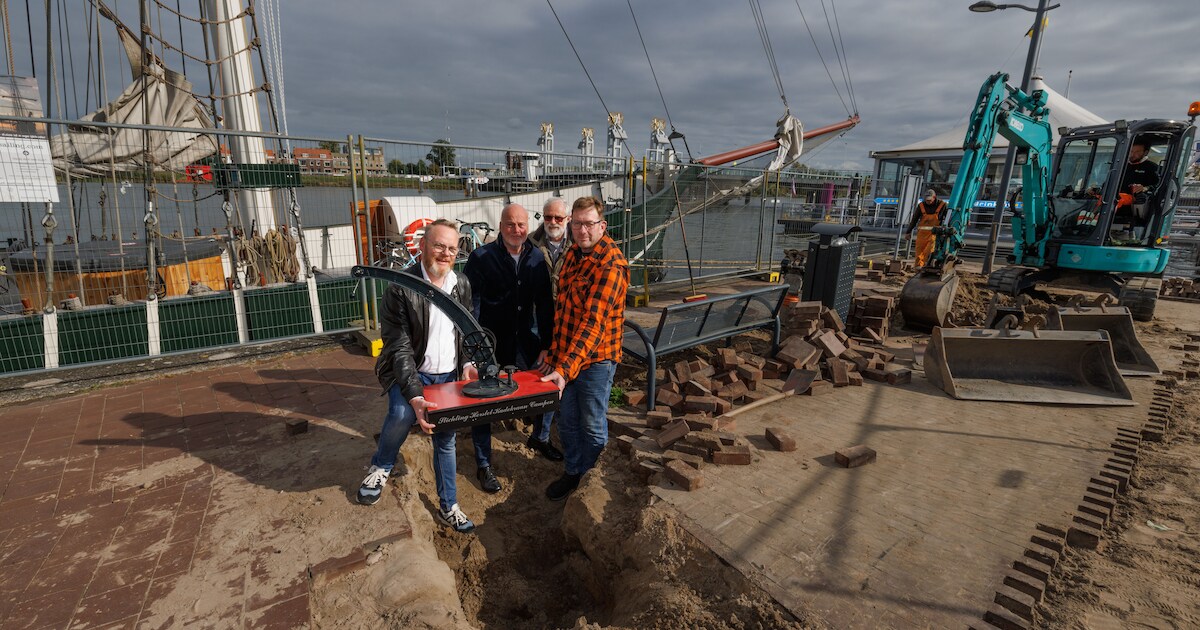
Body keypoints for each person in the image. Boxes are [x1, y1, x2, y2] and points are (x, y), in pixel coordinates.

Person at [356, 219, 493, 534]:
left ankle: (449, 506)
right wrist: (416, 395)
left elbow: (467, 334)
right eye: (438, 246)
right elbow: (399, 349)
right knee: (402, 413)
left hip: (447, 375)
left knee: (446, 437)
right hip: (410, 371)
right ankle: (381, 465)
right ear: (422, 247)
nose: (445, 253)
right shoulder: (400, 288)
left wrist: (470, 364)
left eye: (451, 248)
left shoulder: (462, 284)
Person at [539, 196, 629, 501]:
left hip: (596, 361)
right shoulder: (574, 255)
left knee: (591, 424)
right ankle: (574, 472)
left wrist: (564, 369)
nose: (582, 230)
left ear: (601, 225)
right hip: (568, 359)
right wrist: (554, 357)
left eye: (588, 223)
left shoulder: (611, 264)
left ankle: (592, 484)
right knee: (567, 422)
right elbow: (563, 313)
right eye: (576, 223)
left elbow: (593, 324)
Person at [463, 203, 561, 461]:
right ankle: (483, 460)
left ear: (527, 226)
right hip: (493, 341)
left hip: (526, 339)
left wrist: (547, 345)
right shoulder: (481, 258)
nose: (516, 230)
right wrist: (476, 347)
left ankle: (540, 437)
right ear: (500, 226)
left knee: (546, 384)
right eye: (510, 224)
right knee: (483, 401)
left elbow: (544, 305)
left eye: (521, 225)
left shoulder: (537, 258)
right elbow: (471, 304)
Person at [529, 197, 572, 299]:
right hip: (540, 309)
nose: (553, 222)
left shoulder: (578, 243)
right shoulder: (530, 242)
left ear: (568, 219)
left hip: (568, 308)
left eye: (558, 218)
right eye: (548, 217)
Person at [907, 189, 947, 268]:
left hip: (934, 234)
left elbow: (948, 218)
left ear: (934, 197)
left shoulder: (942, 205)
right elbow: (914, 219)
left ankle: (926, 266)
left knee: (928, 251)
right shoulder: (921, 205)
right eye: (926, 200)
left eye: (930, 200)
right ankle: (918, 267)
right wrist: (908, 232)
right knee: (919, 251)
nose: (928, 202)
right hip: (922, 233)